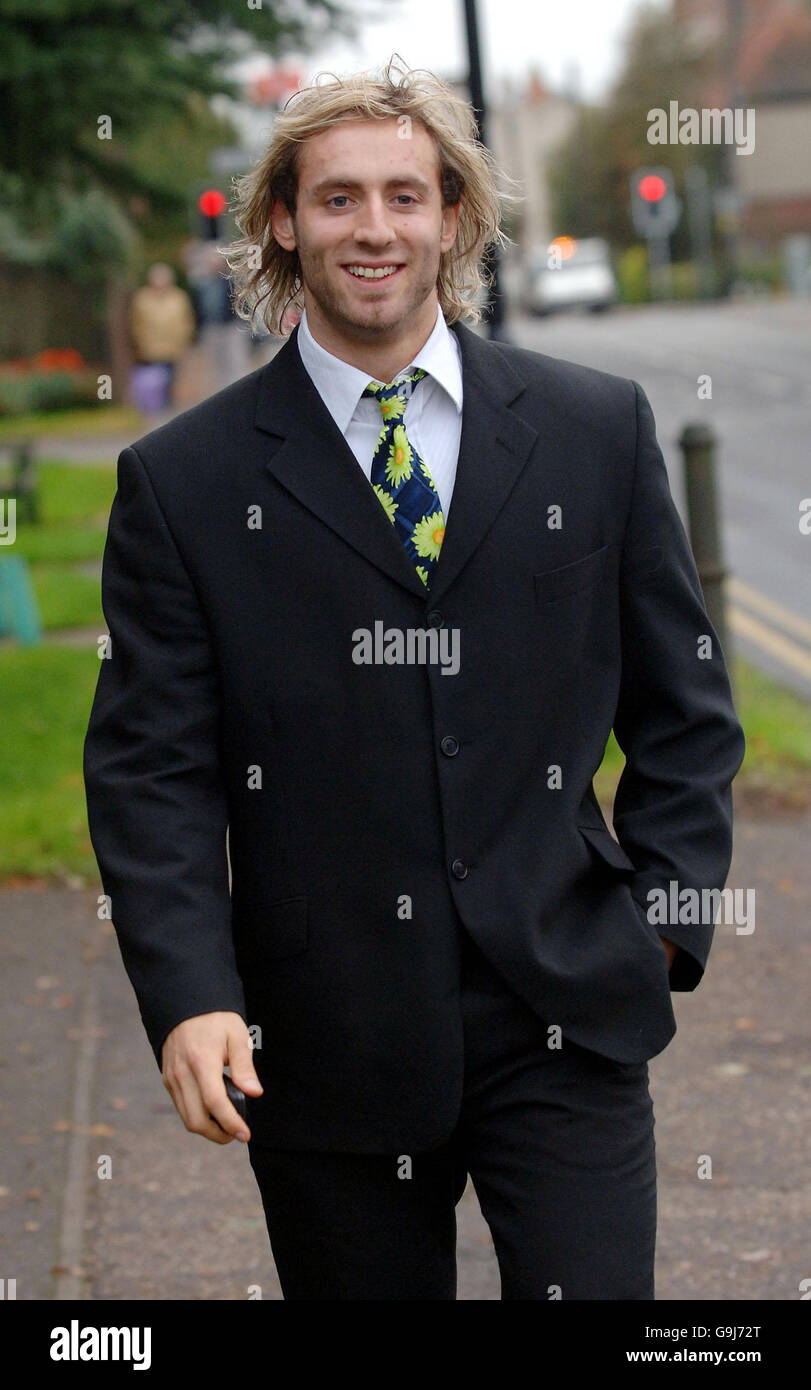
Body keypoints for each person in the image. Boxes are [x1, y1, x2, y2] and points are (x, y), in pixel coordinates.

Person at [83, 57, 746, 1301]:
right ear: (281, 220)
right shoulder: (183, 484)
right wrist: (188, 995)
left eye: (404, 194)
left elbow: (689, 711)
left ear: (453, 215)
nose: (372, 228)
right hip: (322, 1043)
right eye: (336, 199)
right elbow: (151, 770)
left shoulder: (594, 429)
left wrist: (666, 917)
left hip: (567, 1010)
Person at [128, 263, 195, 410]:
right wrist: (140, 341)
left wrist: (183, 339)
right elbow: (136, 323)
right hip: (150, 348)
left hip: (173, 347)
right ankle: (154, 405)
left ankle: (168, 405)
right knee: (154, 378)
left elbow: (187, 320)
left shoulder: (179, 297)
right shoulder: (142, 298)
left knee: (171, 377)